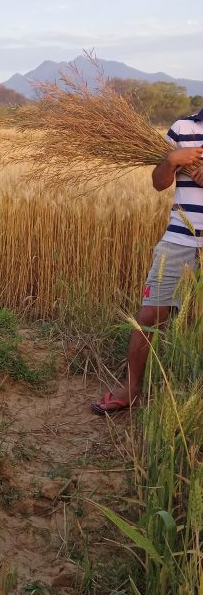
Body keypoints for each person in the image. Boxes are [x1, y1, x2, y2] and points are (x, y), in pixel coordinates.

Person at [92, 107, 203, 415]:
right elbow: (158, 183)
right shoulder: (183, 127)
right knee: (149, 315)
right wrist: (171, 160)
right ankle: (131, 391)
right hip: (178, 241)